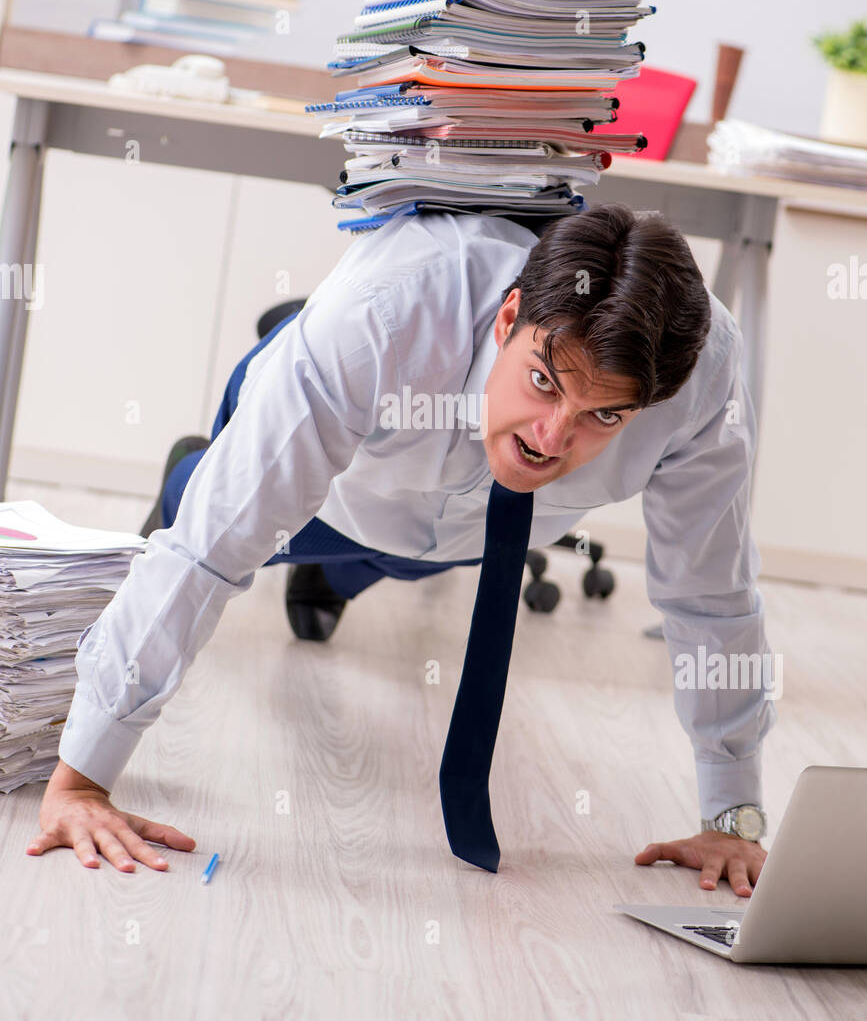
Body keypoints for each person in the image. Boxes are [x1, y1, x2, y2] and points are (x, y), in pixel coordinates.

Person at [28, 204, 776, 894]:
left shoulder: (702, 383)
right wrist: (81, 781)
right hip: (345, 471)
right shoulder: (384, 316)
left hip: (469, 531)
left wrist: (731, 818)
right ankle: (201, 471)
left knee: (412, 553)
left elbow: (709, 593)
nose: (552, 436)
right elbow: (206, 553)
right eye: (544, 382)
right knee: (224, 510)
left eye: (603, 415)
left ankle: (338, 574)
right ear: (508, 316)